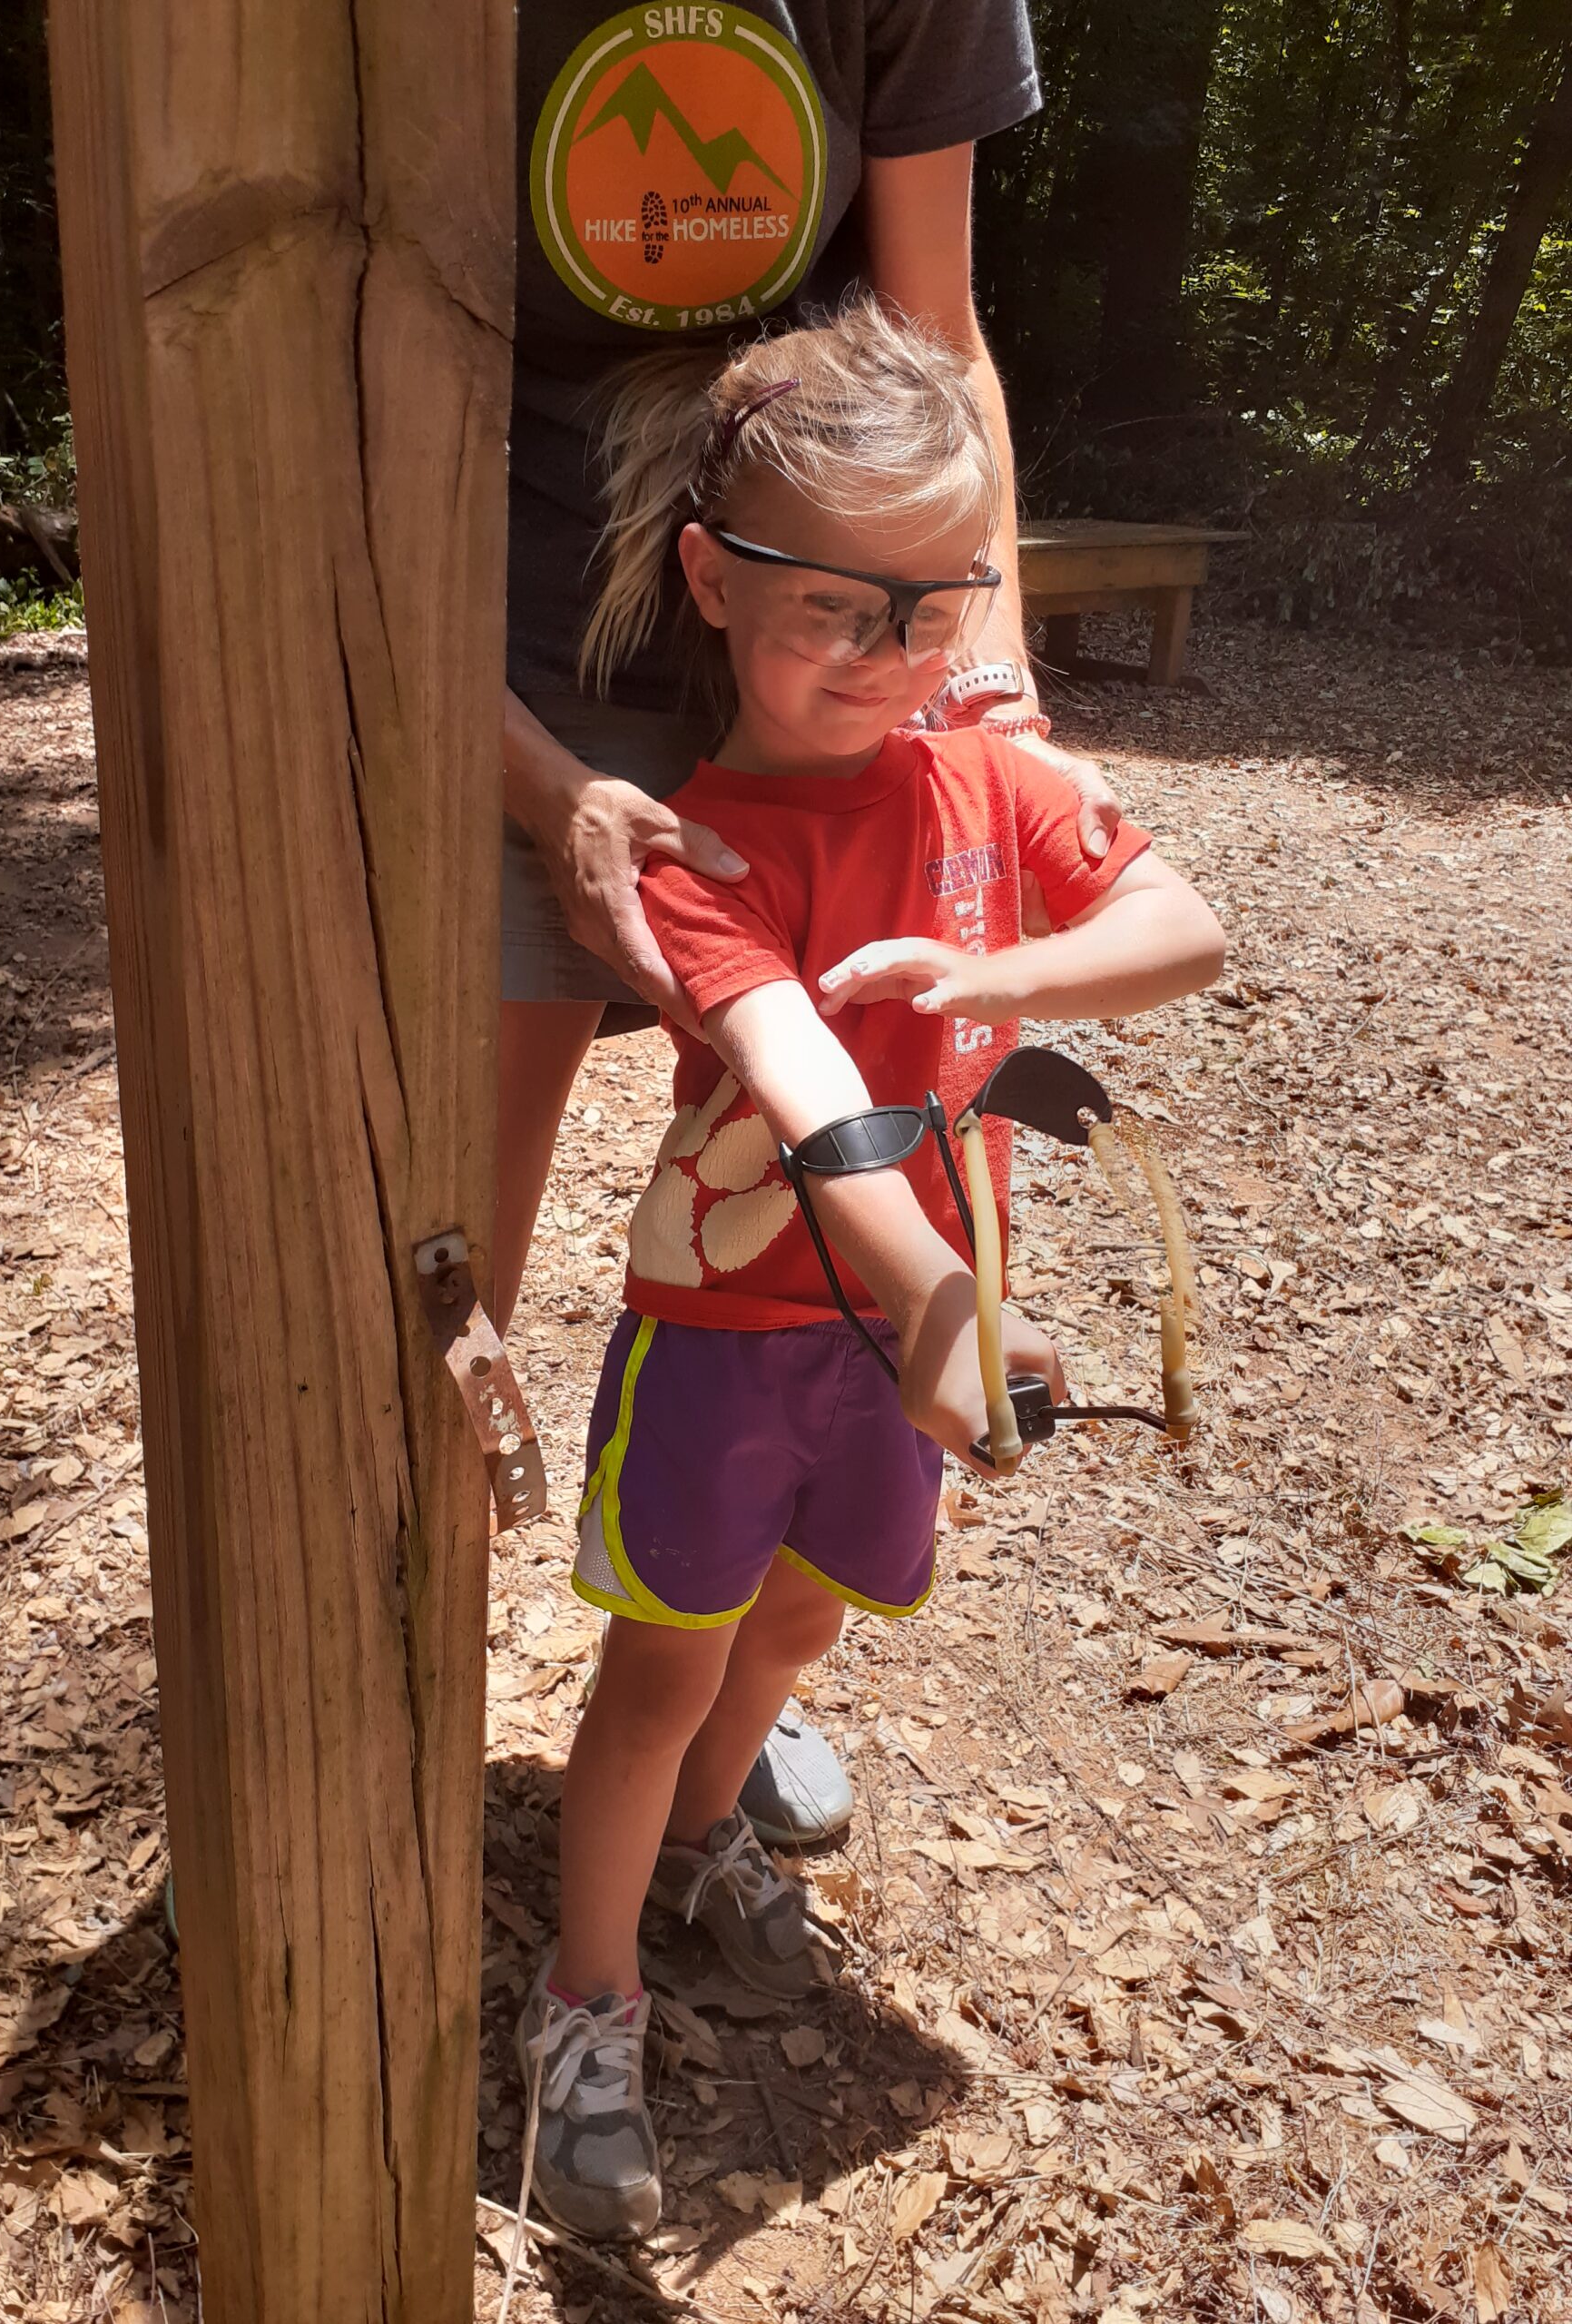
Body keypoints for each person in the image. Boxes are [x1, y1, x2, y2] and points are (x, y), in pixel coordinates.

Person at [513, 304, 1225, 2241]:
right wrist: (937, 1308)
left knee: (808, 1627)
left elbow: (1181, 924)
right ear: (710, 586)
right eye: (841, 606)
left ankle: (697, 1840)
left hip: (906, 1339)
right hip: (740, 1332)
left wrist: (996, 976)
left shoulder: (984, 780)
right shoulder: (701, 846)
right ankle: (586, 2001)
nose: (899, 656)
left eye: (942, 604)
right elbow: (814, 1108)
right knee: (663, 1661)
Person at [505, 0, 1125, 1846]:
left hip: (832, 579)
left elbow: (930, 310)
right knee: (447, 1226)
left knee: (848, 1106)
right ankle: (401, 1671)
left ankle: (728, 1644)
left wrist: (981, 661)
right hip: (521, 597)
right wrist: (547, 790)